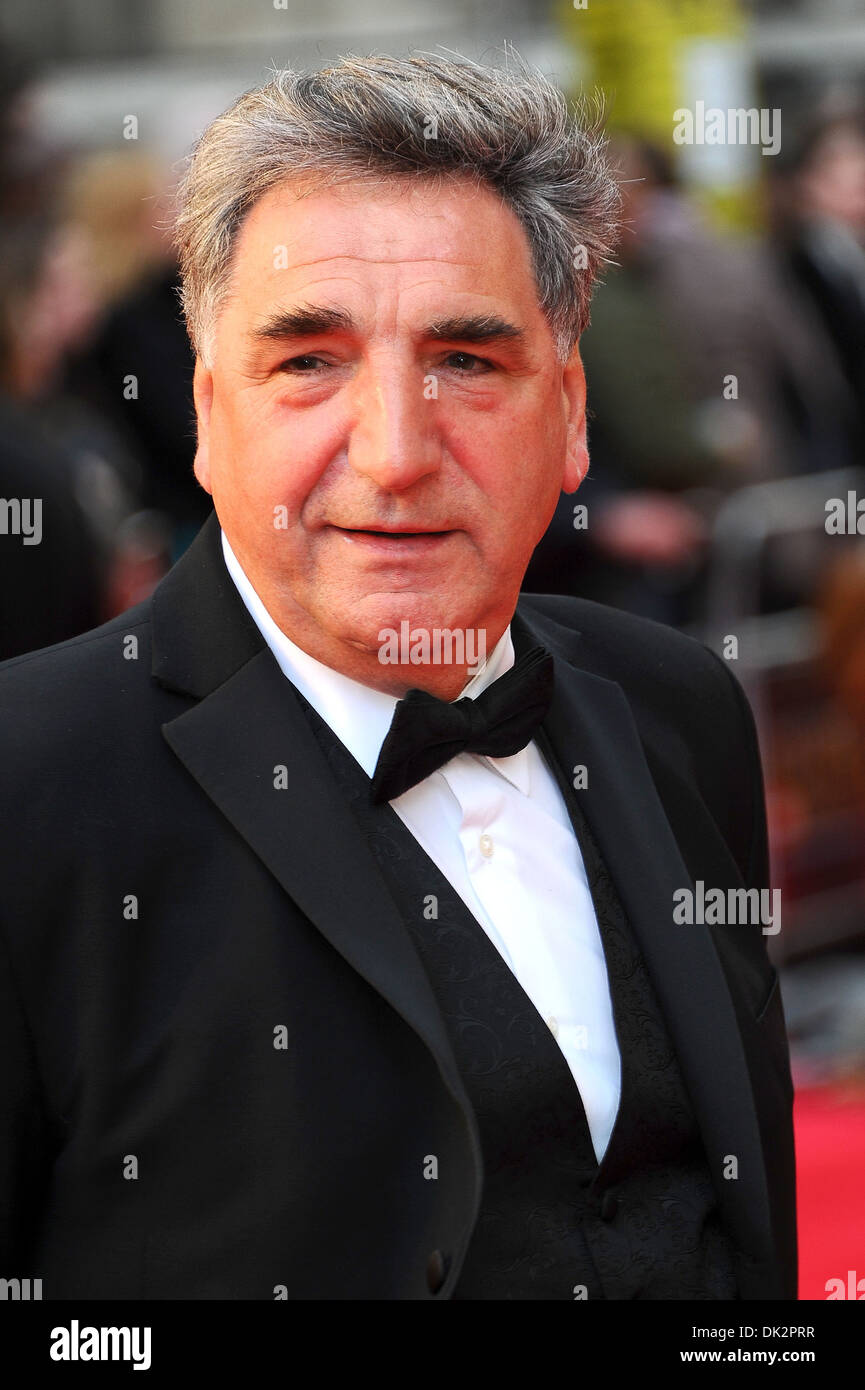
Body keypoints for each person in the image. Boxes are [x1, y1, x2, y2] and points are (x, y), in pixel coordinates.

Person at [0, 52, 795, 1301]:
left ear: (572, 412)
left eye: (467, 362)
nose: (396, 452)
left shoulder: (677, 705)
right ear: (209, 415)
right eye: (308, 361)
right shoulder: (27, 785)